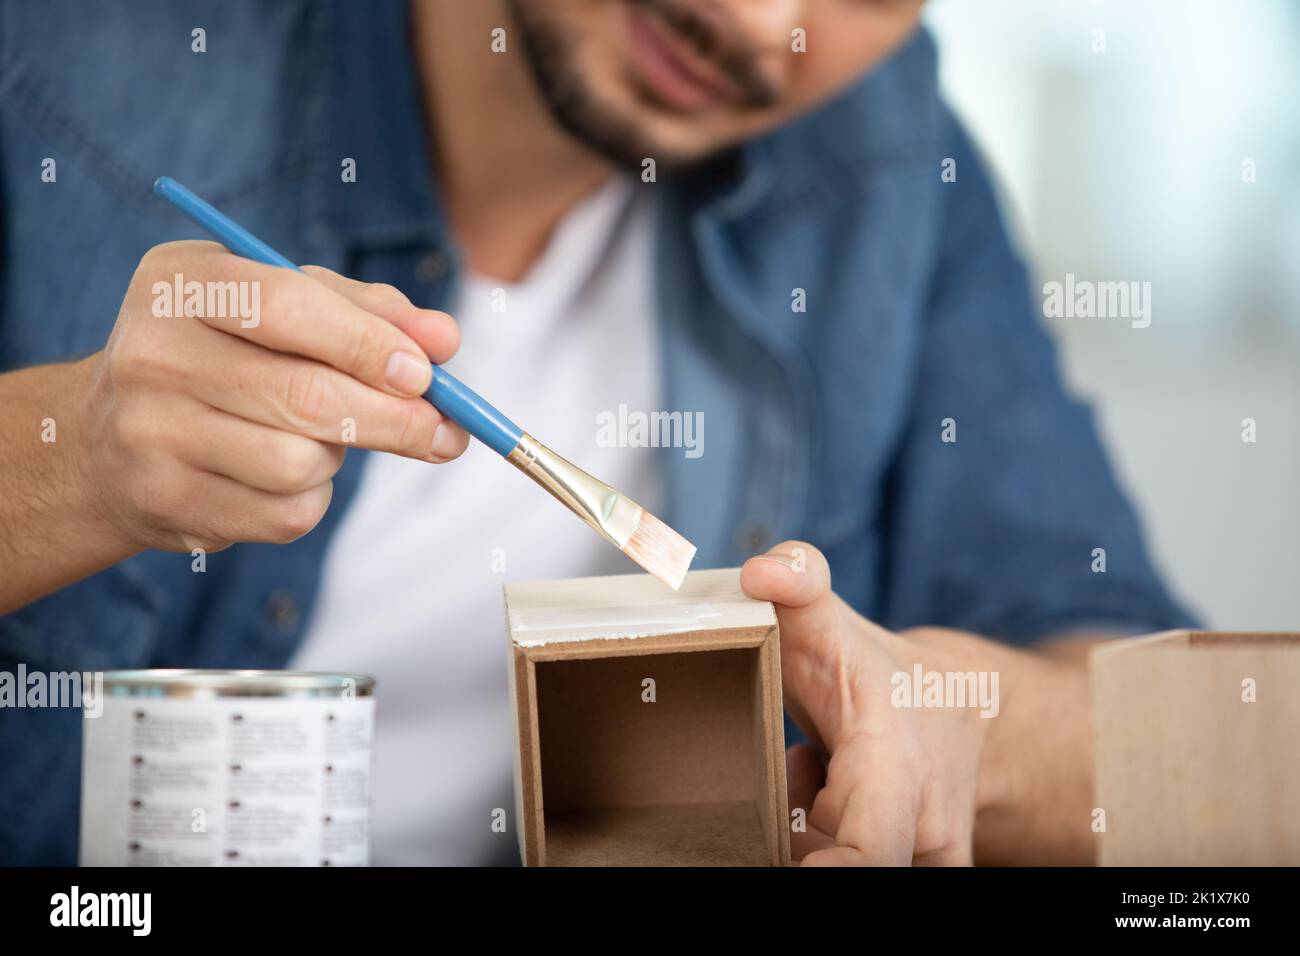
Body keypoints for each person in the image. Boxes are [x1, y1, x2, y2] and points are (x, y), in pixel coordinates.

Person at [0, 0, 1192, 865]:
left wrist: (952, 716)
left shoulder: (892, 157)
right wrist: (68, 455)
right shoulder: (62, 62)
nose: (751, 18)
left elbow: (1173, 736)